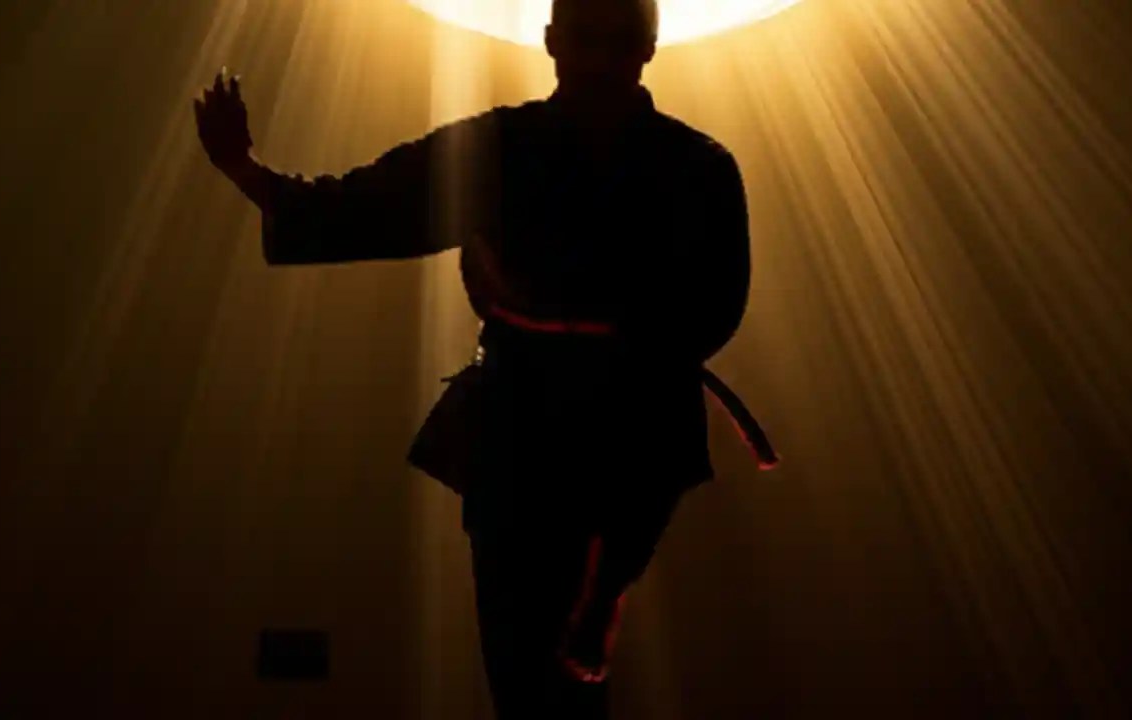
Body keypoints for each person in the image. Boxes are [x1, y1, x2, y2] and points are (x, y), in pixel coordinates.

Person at [194, 0, 773, 716]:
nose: (597, 62)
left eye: (616, 43)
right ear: (554, 41)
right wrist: (245, 172)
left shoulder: (698, 168)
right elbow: (371, 205)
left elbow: (717, 306)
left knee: (572, 663)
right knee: (527, 668)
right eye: (586, 41)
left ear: (647, 48)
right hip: (527, 437)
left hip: (631, 444)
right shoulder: (511, 148)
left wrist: (594, 335)